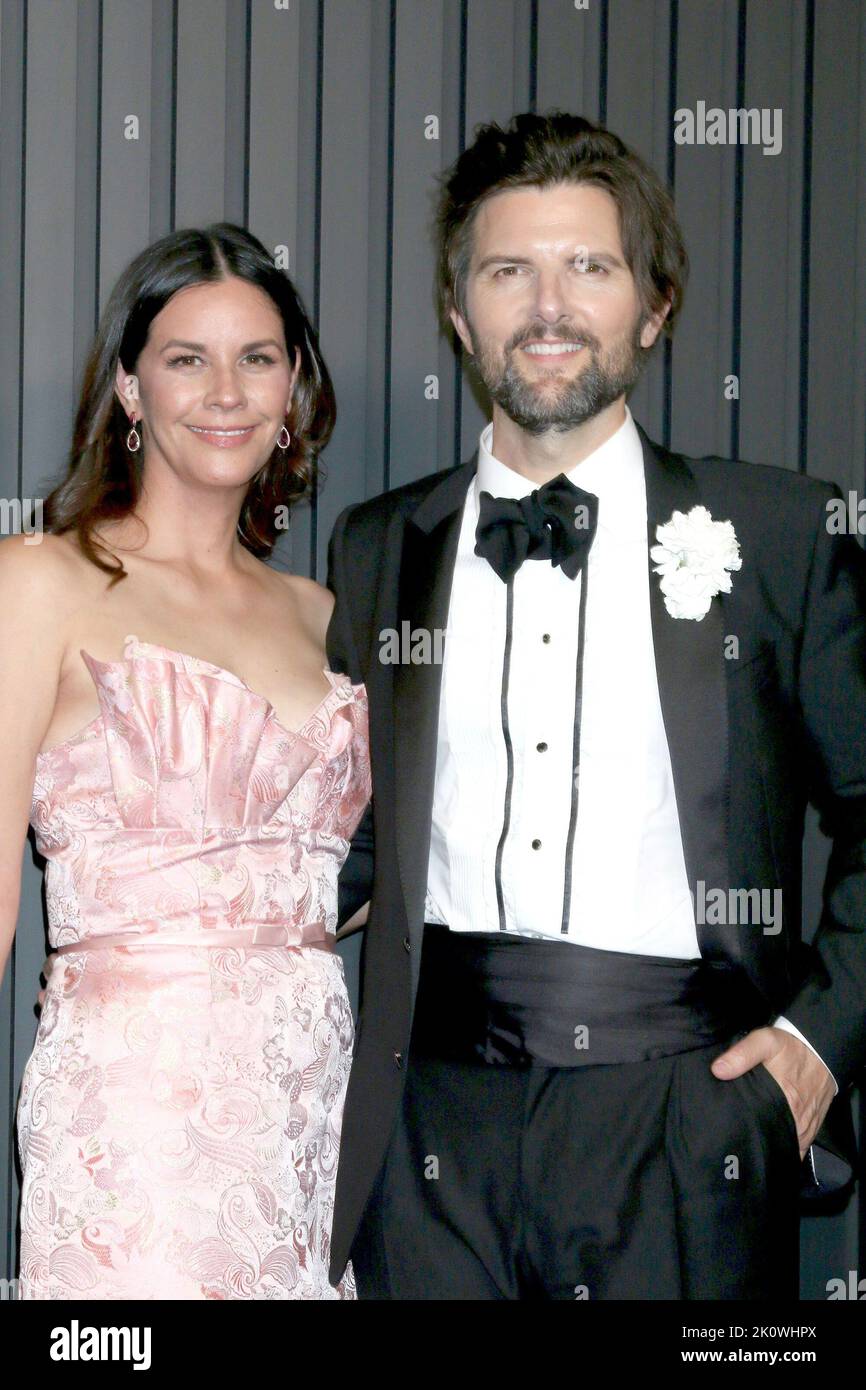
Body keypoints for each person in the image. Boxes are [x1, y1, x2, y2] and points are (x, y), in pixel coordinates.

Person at [324, 112, 865, 1300]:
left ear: (652, 306)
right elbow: (347, 841)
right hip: (430, 1136)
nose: (548, 305)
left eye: (590, 266)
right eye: (508, 270)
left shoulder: (777, 533)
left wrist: (819, 1041)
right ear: (458, 313)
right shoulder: (376, 546)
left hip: (687, 1116)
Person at [3, 224, 370, 1299]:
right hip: (132, 1122)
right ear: (128, 386)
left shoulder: (323, 615)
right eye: (184, 358)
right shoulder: (44, 578)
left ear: (293, 385)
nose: (225, 391)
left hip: (310, 1117)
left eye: (257, 357)